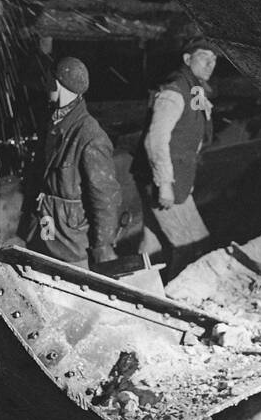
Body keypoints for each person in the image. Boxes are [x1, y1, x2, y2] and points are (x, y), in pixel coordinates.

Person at [135, 37, 218, 275]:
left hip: (173, 178)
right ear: (187, 59)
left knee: (152, 246)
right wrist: (165, 185)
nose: (210, 64)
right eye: (204, 56)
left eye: (214, 60)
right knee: (194, 247)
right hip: (163, 181)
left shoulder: (195, 90)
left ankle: (140, 287)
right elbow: (156, 139)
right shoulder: (174, 92)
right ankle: (180, 299)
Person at [30, 56, 120, 269]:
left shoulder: (89, 135)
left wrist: (103, 246)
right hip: (49, 227)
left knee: (75, 288)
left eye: (48, 79)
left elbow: (105, 196)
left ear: (56, 82)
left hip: (73, 240)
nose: (45, 85)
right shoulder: (55, 121)